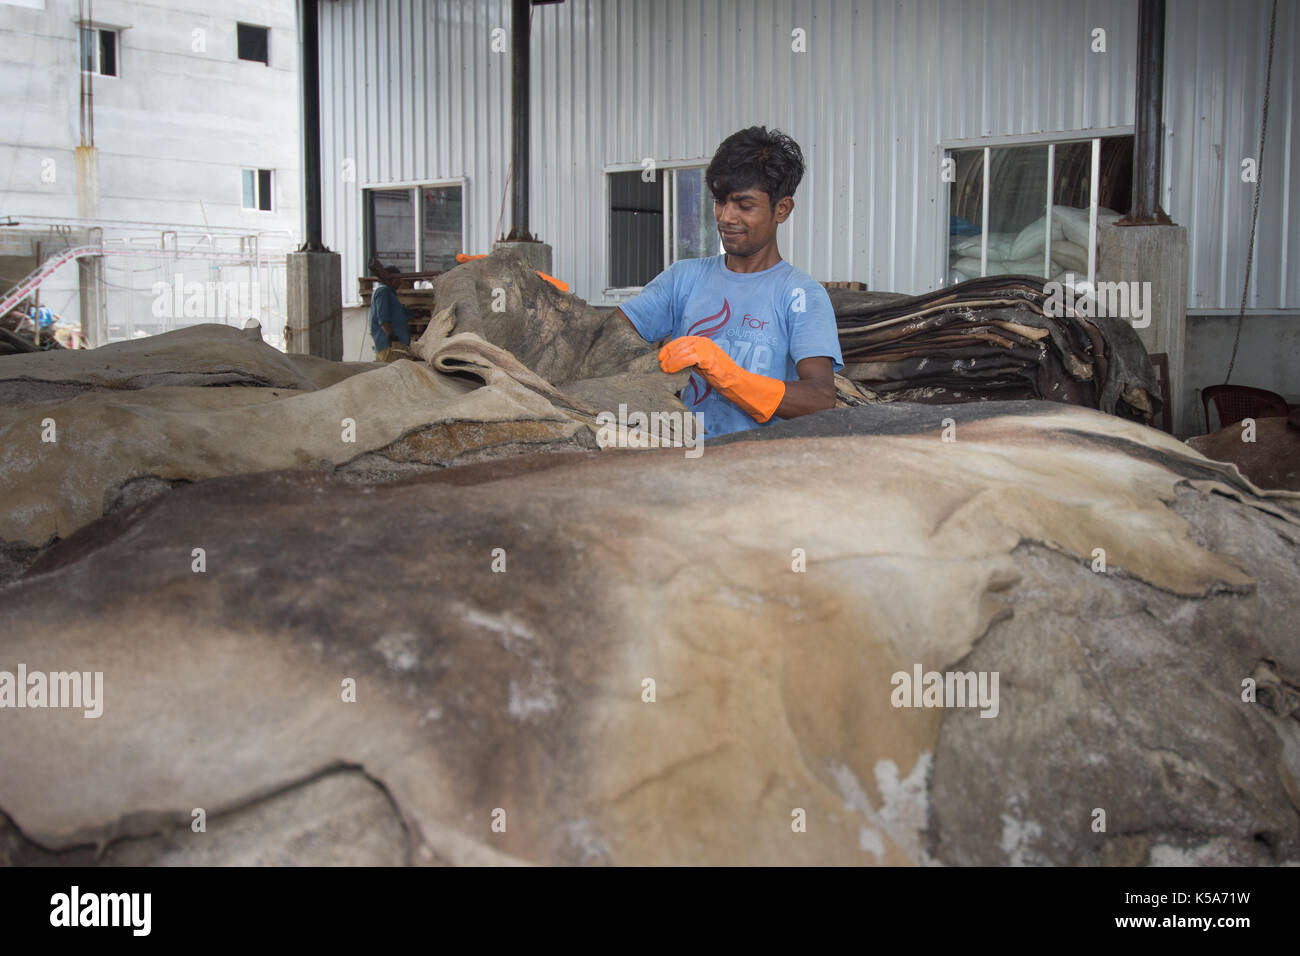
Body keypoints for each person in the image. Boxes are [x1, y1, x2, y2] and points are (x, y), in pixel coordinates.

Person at [613, 126, 842, 438]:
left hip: (758, 460)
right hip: (682, 454)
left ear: (782, 209)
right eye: (720, 201)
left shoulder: (800, 295)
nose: (725, 217)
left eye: (744, 205)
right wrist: (556, 305)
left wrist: (728, 375)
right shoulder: (683, 278)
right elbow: (607, 339)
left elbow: (820, 399)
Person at [367, 258, 419, 359]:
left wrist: (416, 313)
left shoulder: (390, 293)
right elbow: (383, 317)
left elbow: (400, 312)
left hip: (396, 344)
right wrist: (391, 335)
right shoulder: (383, 291)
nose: (399, 282)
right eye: (397, 279)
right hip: (390, 346)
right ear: (390, 278)